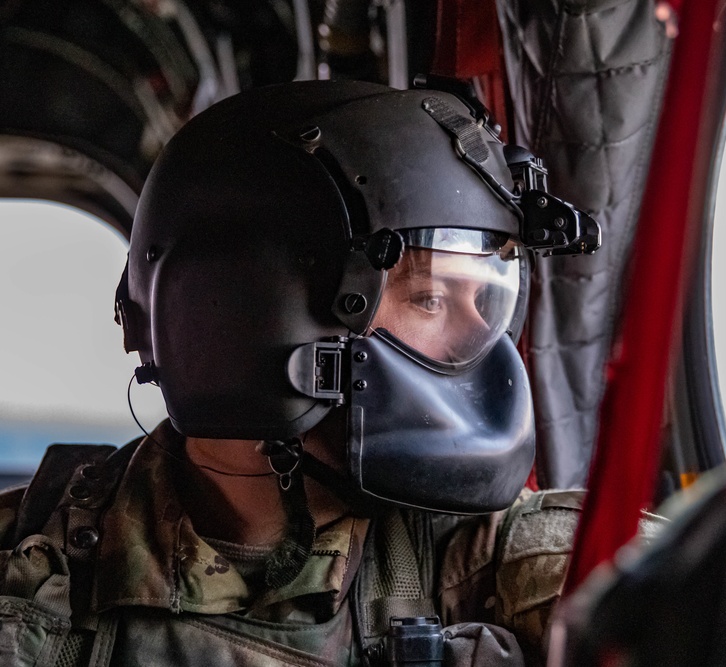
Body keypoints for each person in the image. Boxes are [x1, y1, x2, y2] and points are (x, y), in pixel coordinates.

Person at [0, 78, 600, 666]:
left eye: (485, 303)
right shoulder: (25, 576)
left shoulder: (487, 558)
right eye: (431, 300)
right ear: (253, 310)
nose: (479, 343)